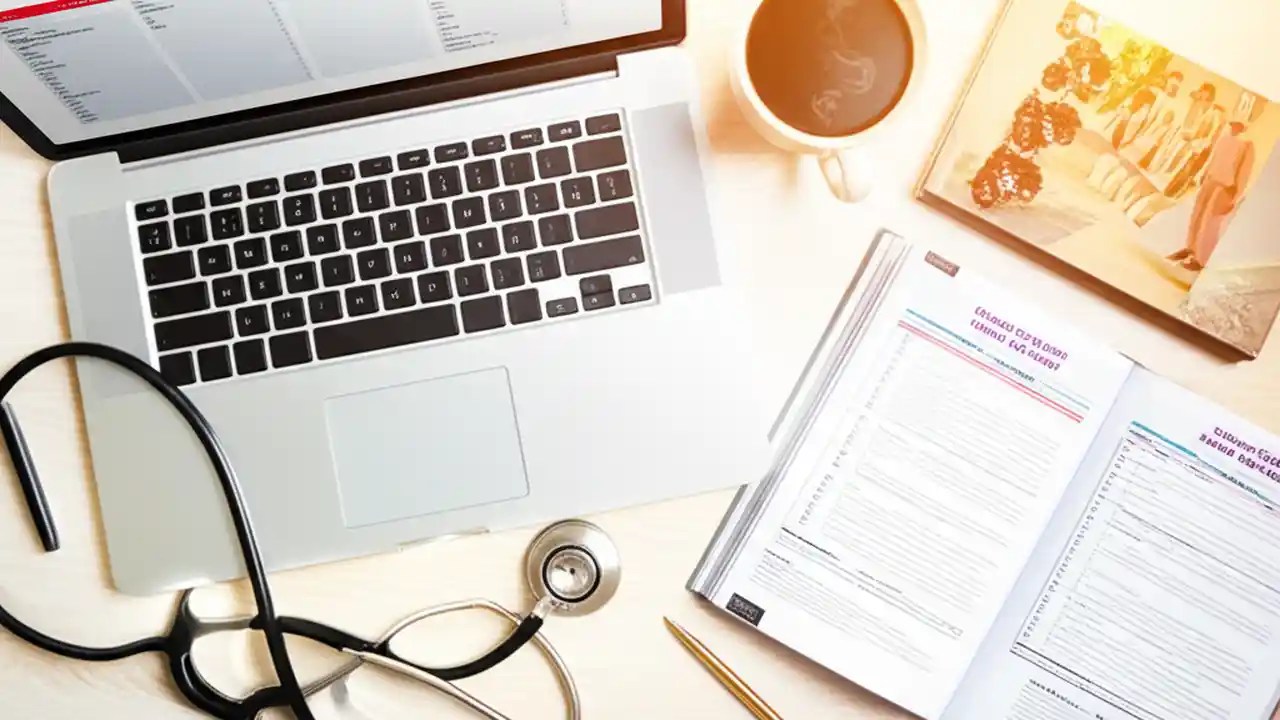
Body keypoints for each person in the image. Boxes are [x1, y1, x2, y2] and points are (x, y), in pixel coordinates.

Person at [1167, 121, 1255, 270]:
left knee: (1210, 222)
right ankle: (1190, 248)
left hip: (1225, 187)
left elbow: (1244, 172)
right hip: (1211, 180)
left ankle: (1201, 259)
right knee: (1197, 215)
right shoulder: (1224, 139)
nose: (1235, 128)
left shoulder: (1246, 145)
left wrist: (1236, 195)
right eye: (1233, 124)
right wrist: (1204, 174)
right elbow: (1213, 158)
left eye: (1238, 125)